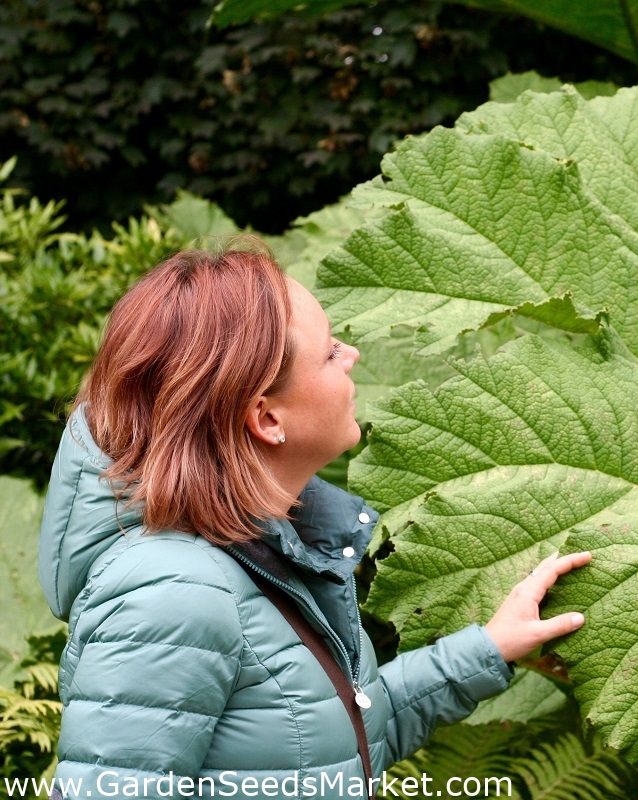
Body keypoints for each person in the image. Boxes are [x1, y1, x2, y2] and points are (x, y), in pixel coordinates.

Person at [37, 244, 590, 798]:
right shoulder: (173, 595)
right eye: (328, 354)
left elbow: (334, 743)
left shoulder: (256, 546)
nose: (349, 356)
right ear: (267, 417)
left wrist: (488, 648)